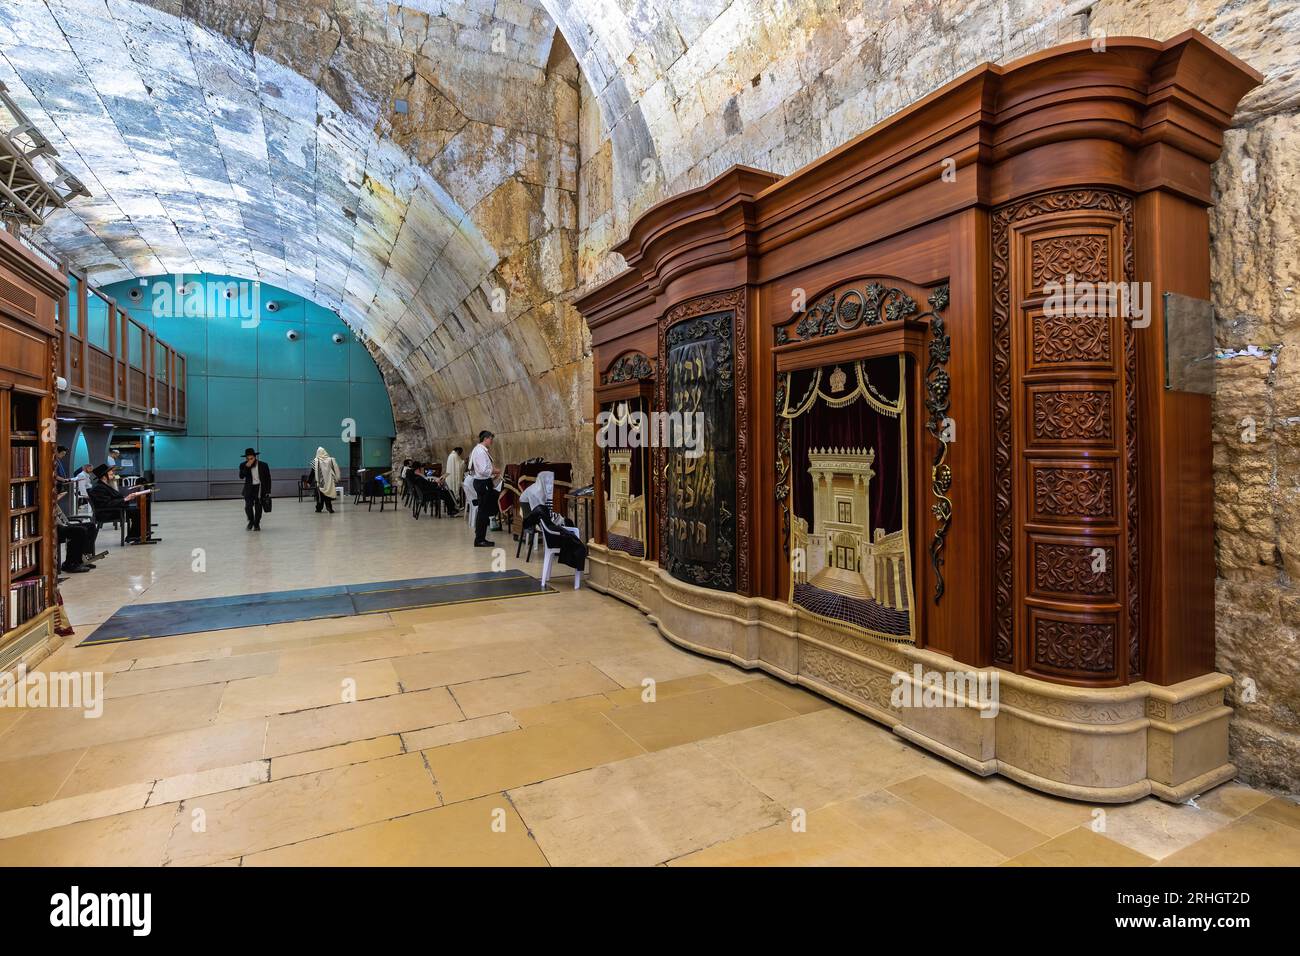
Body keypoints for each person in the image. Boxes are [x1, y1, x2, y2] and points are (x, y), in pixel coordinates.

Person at [87, 464, 145, 540]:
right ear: (104, 476)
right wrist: (125, 499)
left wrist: (126, 497)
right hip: (107, 513)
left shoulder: (104, 485)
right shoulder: (99, 488)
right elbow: (106, 503)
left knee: (136, 509)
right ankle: (135, 535)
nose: (113, 473)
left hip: (112, 509)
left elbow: (114, 497)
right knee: (136, 511)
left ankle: (137, 534)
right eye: (110, 472)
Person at [55, 490, 104, 572]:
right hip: (55, 528)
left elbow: (62, 518)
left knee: (91, 526)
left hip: (63, 524)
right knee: (79, 531)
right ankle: (71, 563)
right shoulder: (45, 502)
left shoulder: (52, 502)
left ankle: (83, 558)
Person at [468, 430, 500, 547]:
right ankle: (480, 539)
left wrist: (491, 475)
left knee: (485, 508)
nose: (492, 441)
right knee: (483, 511)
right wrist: (494, 471)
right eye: (491, 438)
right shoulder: (481, 452)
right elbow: (482, 470)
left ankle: (480, 536)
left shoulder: (479, 450)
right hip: (482, 483)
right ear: (485, 438)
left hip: (483, 482)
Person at [239, 448, 271, 530]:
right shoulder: (243, 465)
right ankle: (251, 521)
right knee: (248, 506)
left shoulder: (263, 465)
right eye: (248, 458)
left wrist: (268, 491)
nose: (250, 460)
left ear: (255, 457)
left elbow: (268, 478)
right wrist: (247, 467)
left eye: (251, 458)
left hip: (259, 488)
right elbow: (241, 476)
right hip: (249, 488)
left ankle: (256, 523)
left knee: (258, 507)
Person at [311, 446, 340, 514]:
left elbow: (312, 472)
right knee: (328, 495)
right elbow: (336, 469)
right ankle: (329, 508)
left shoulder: (315, 461)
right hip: (329, 482)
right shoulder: (331, 460)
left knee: (320, 497)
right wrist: (337, 478)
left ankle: (319, 508)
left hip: (320, 483)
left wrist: (309, 481)